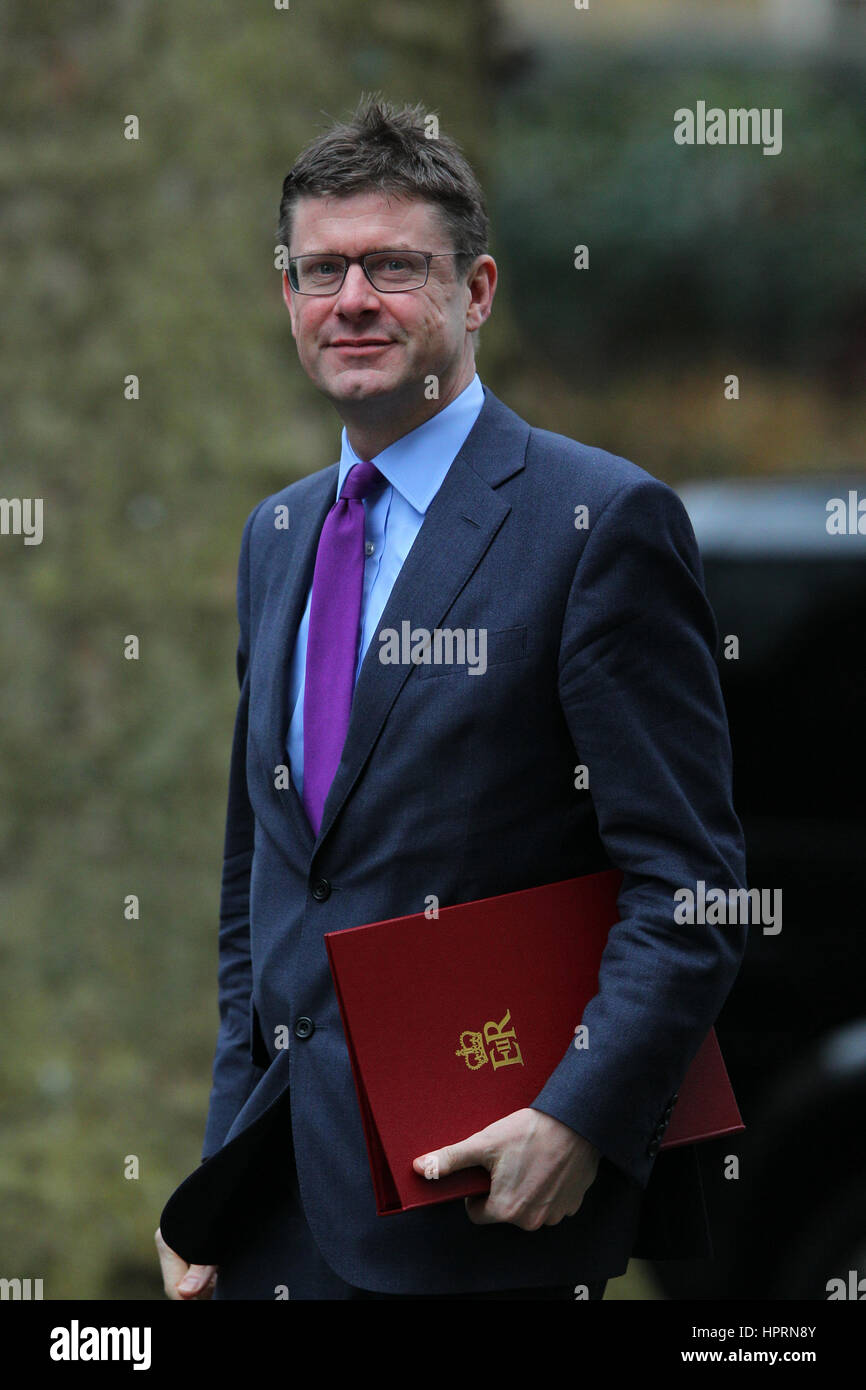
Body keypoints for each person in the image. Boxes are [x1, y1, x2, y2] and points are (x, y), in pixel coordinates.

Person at [155, 96, 748, 1301]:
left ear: (475, 292)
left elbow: (690, 887)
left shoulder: (596, 525)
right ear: (286, 297)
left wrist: (575, 1117)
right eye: (320, 269)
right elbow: (260, 888)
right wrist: (221, 1170)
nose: (352, 300)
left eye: (393, 266)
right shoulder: (276, 536)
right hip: (277, 1215)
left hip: (488, 1209)